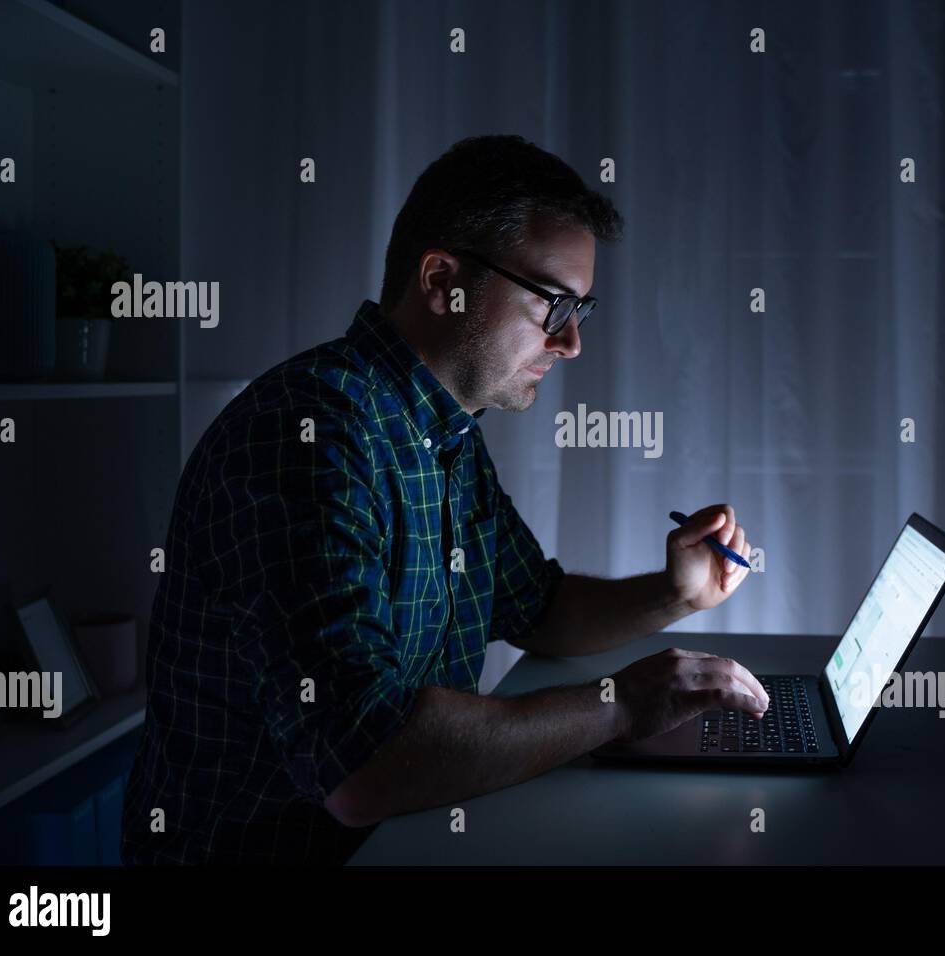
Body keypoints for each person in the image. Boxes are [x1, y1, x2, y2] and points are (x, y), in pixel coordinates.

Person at [122, 134, 765, 864]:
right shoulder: (307, 439)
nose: (573, 342)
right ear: (440, 280)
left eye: (584, 307)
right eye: (555, 305)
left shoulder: (443, 434)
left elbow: (539, 608)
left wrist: (675, 594)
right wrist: (623, 704)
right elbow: (361, 766)